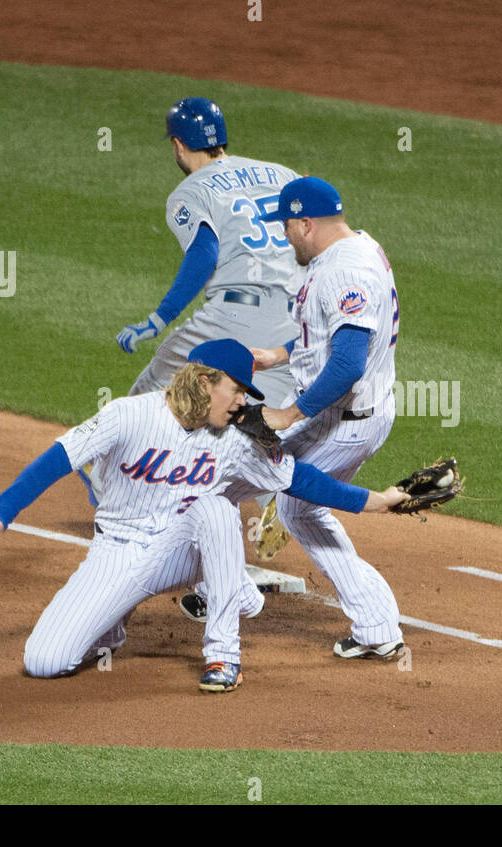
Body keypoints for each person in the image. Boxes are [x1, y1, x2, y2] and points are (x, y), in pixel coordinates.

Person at [0, 339, 407, 691]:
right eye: (236, 390)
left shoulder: (236, 438)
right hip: (117, 552)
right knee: (44, 662)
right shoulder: (129, 415)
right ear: (203, 382)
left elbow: (303, 481)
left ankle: (223, 656)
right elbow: (58, 458)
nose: (242, 403)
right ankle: (128, 617)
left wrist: (378, 500)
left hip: (181, 548)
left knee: (215, 506)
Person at [111, 96, 301, 559]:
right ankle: (272, 498)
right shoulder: (280, 173)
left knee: (152, 392)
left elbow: (203, 255)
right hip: (295, 316)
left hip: (234, 313)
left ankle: (118, 491)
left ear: (178, 145)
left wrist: (157, 319)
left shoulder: (191, 191)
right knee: (251, 418)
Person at [248, 176, 407, 660]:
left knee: (251, 464)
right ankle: (378, 625)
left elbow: (347, 363)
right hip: (351, 409)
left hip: (343, 416)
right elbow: (332, 336)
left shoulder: (345, 272)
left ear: (305, 223)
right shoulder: (360, 245)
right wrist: (280, 355)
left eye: (287, 228)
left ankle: (222, 590)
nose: (285, 237)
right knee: (288, 497)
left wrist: (287, 414)